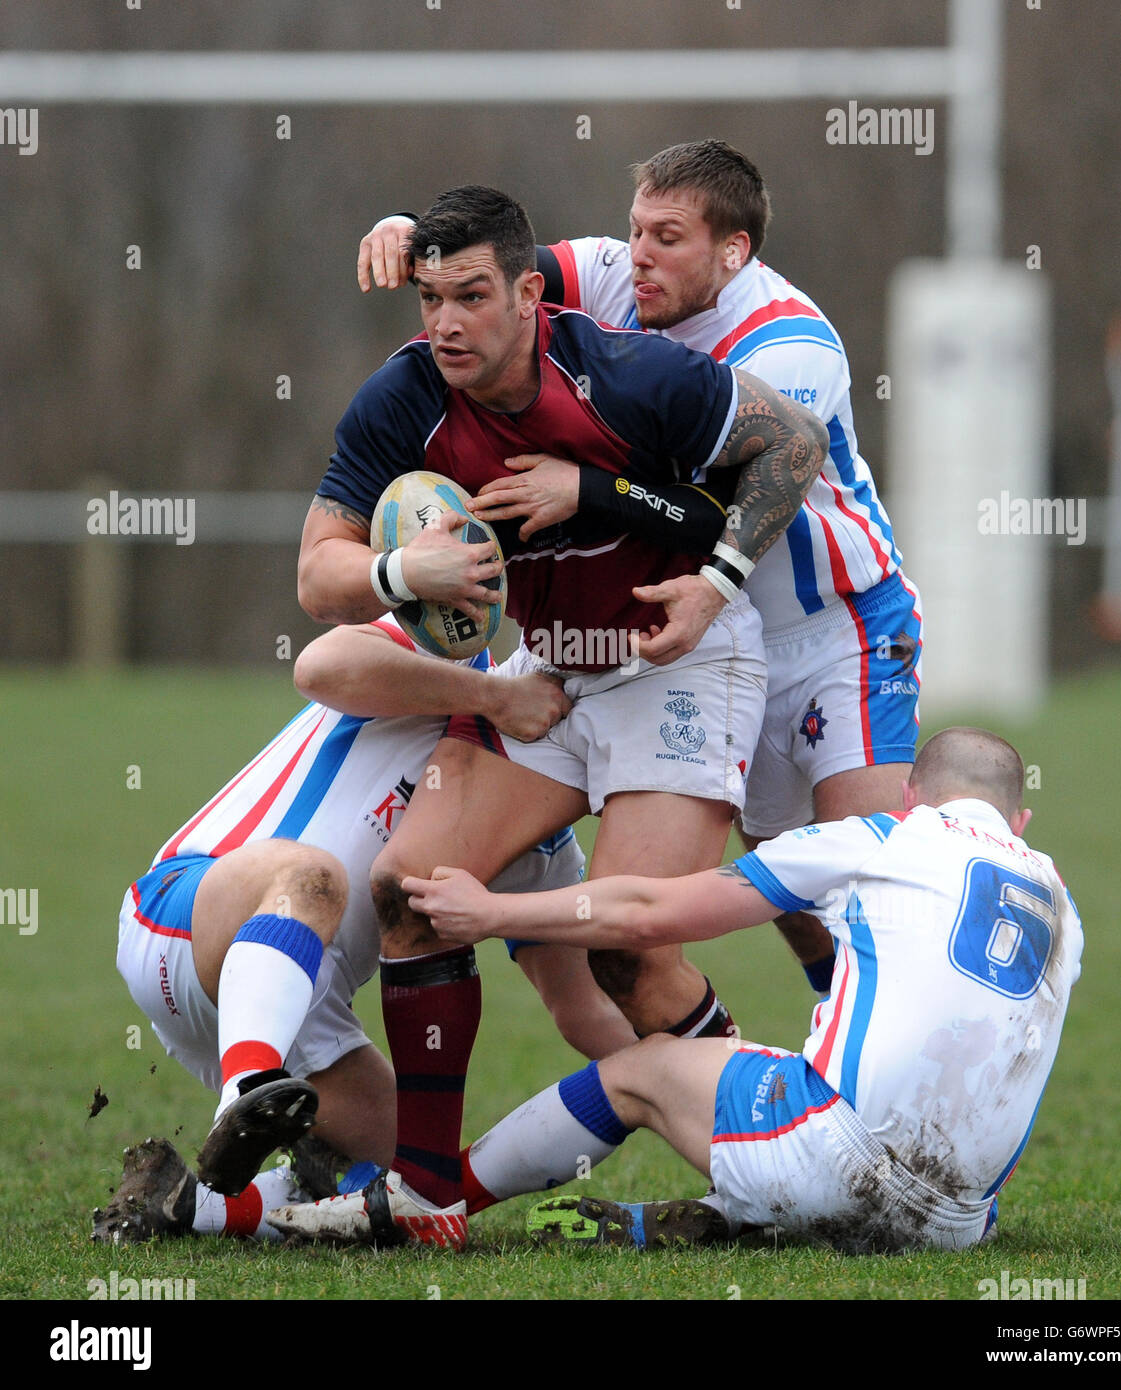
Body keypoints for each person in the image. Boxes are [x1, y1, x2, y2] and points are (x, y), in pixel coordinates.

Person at [299, 183, 828, 1211]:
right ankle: (422, 1198)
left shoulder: (629, 373)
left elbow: (793, 444)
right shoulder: (402, 397)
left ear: (529, 292)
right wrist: (404, 577)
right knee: (408, 894)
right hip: (546, 675)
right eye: (429, 299)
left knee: (629, 956)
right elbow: (318, 576)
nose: (445, 323)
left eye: (471, 295)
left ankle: (787, 1151)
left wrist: (672, 549)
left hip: (677, 667)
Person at [358, 141, 923, 999]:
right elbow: (493, 273)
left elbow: (702, 506)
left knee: (869, 877)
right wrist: (410, 235)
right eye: (635, 231)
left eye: (669, 237)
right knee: (790, 889)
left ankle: (908, 1072)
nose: (640, 257)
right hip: (707, 622)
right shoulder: (614, 272)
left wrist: (585, 487)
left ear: (733, 253)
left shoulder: (787, 347)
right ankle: (838, 1051)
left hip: (833, 627)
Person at [270, 728, 1081, 1254]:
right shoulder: (1061, 904)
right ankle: (759, 1218)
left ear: (911, 797)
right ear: (1022, 822)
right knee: (775, 1073)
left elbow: (649, 909)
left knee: (645, 1068)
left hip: (836, 1158)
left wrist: (493, 911)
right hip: (963, 1222)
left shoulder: (883, 836)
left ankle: (431, 1204)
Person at [94, 615, 609, 1249]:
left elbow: (582, 1006)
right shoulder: (442, 654)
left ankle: (190, 1206)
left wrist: (691, 1065)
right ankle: (247, 1093)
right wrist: (493, 696)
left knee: (416, 1172)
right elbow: (320, 665)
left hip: (299, 1018)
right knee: (314, 876)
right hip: (185, 920)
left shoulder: (536, 833)